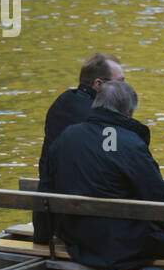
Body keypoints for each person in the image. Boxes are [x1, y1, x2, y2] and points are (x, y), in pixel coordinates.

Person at [40, 80, 164, 270]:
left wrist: (42, 236)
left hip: (76, 238)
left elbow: (45, 187)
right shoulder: (129, 142)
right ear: (128, 113)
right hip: (122, 244)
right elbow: (158, 198)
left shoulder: (67, 136)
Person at [33, 53, 124, 244]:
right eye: (120, 83)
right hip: (90, 224)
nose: (125, 89)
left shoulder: (61, 104)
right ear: (98, 84)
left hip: (51, 220)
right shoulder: (103, 119)